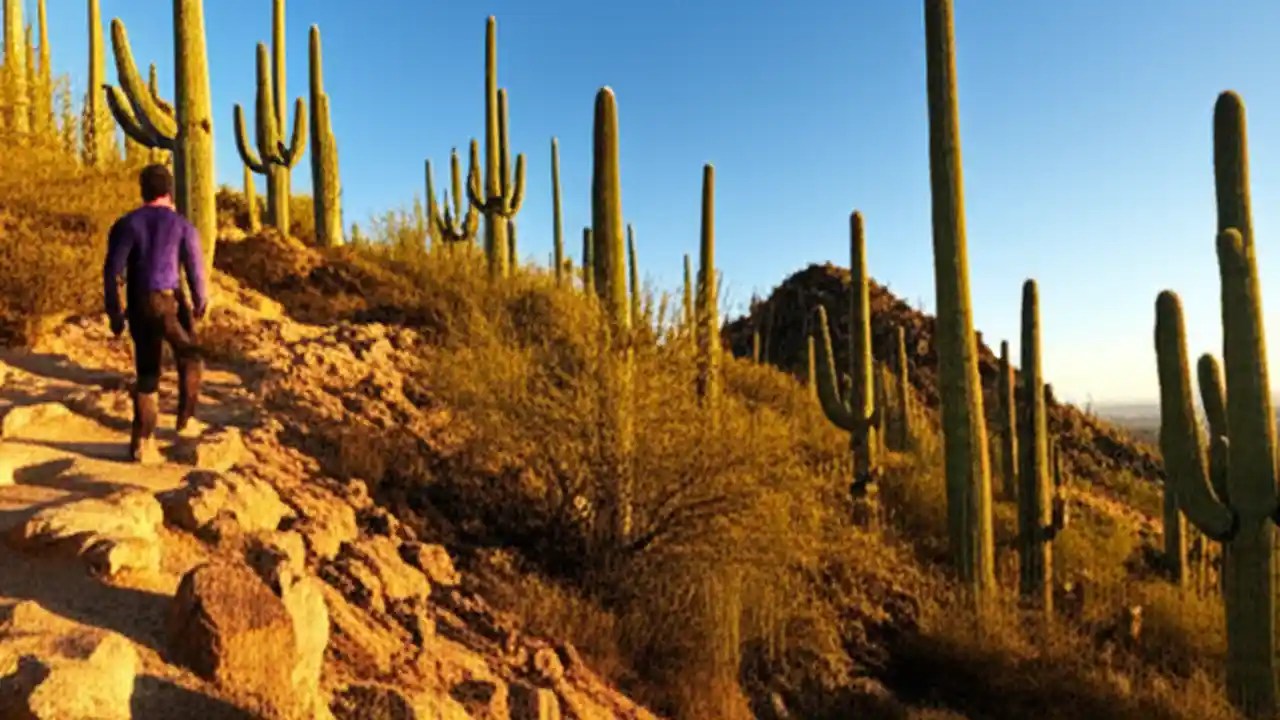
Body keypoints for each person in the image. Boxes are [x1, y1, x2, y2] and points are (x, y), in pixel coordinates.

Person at [103, 164, 208, 463]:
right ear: (170, 190)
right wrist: (200, 301)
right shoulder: (182, 226)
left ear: (143, 190)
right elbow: (195, 268)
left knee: (147, 372)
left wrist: (115, 311)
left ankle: (142, 441)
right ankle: (185, 421)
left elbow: (112, 271)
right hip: (168, 303)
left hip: (139, 304)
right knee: (190, 356)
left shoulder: (127, 224)